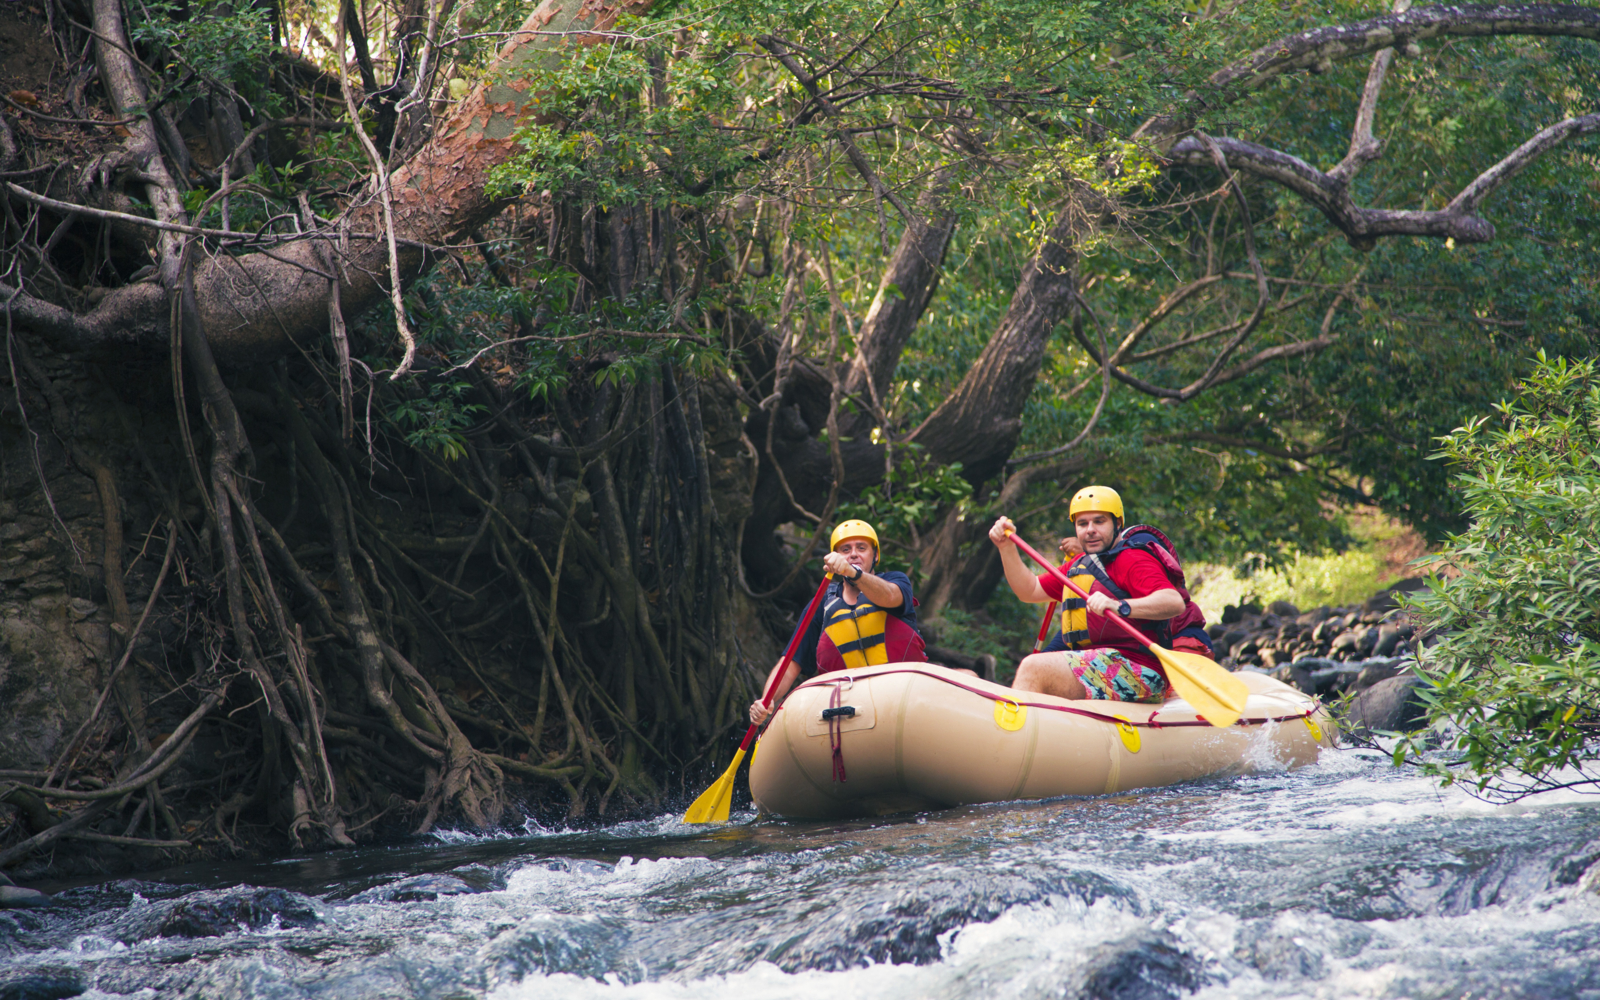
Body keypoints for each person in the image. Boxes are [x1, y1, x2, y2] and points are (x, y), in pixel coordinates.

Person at [987, 486, 1184, 703]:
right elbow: (1029, 590)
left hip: (1139, 671)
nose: (1090, 530)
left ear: (1118, 524)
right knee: (1040, 664)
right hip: (1092, 663)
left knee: (1034, 667)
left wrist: (1119, 606)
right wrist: (1006, 548)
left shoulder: (1133, 558)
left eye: (1099, 521)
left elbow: (1173, 601)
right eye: (1082, 523)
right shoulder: (1079, 565)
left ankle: (1013, 731)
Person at [748, 519, 925, 725]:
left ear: (875, 555)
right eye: (845, 549)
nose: (853, 554)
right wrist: (767, 700)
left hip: (905, 694)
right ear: (835, 558)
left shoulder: (896, 581)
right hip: (849, 708)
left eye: (861, 548)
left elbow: (890, 597)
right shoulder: (820, 604)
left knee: (967, 674)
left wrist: (854, 573)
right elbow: (789, 664)